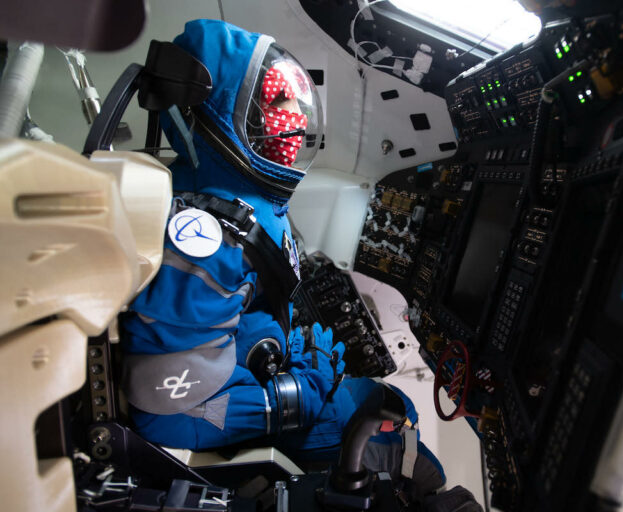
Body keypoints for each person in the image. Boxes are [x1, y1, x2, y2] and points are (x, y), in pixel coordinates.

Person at [118, 20, 451, 499]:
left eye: (295, 101)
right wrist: (295, 396)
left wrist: (279, 350)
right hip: (228, 409)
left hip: (247, 369)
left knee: (393, 405)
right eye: (276, 101)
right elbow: (165, 407)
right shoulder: (208, 241)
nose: (294, 116)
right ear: (217, 111)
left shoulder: (238, 200)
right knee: (401, 444)